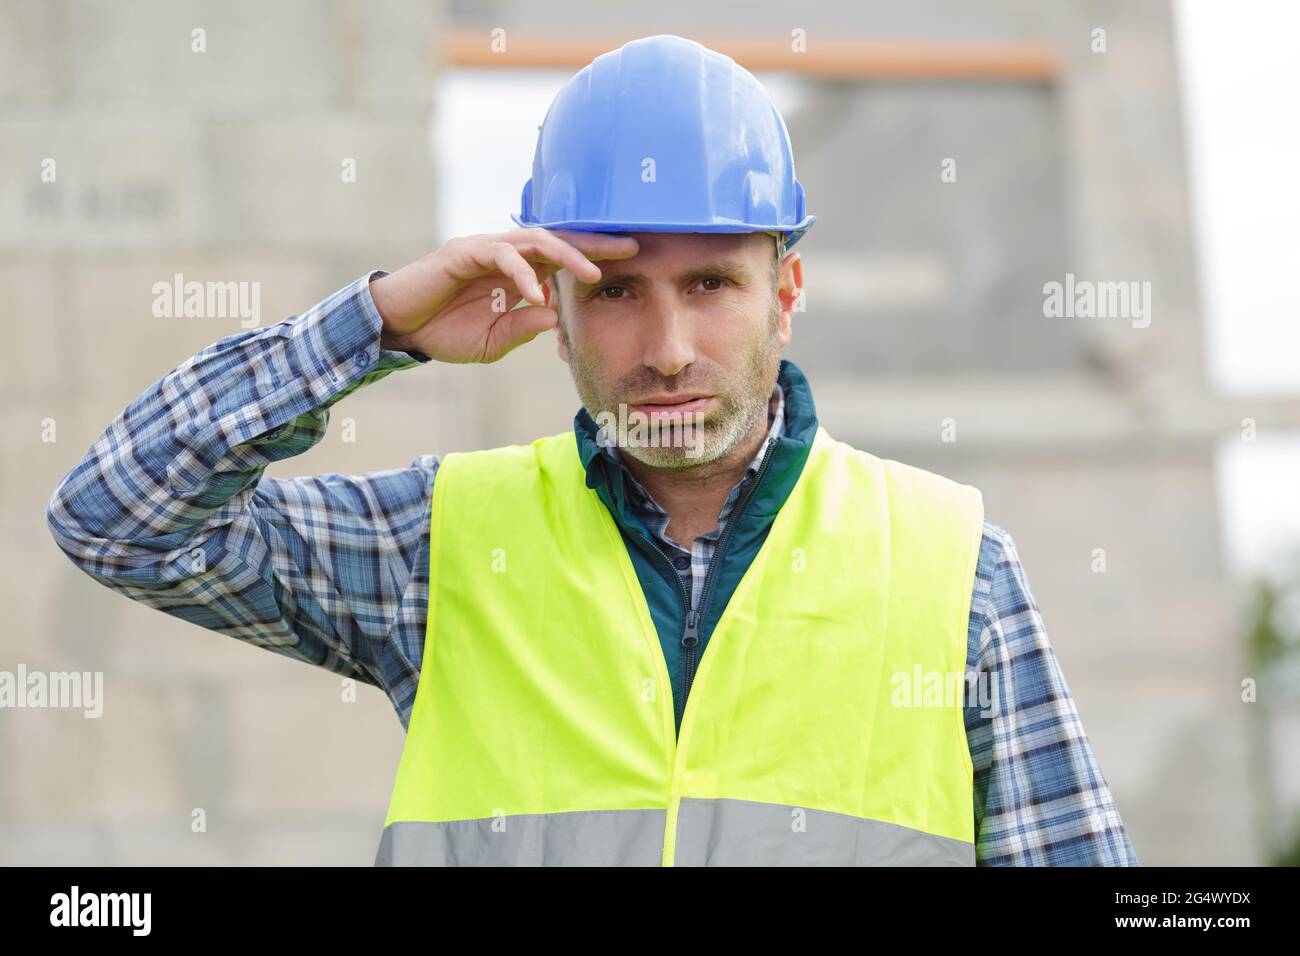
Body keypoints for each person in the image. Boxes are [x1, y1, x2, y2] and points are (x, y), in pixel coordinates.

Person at [46, 34, 1138, 866]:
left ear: (785, 295)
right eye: (615, 292)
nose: (665, 349)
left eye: (710, 284)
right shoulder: (439, 546)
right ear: (553, 313)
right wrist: (373, 325)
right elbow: (117, 513)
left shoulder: (954, 569)